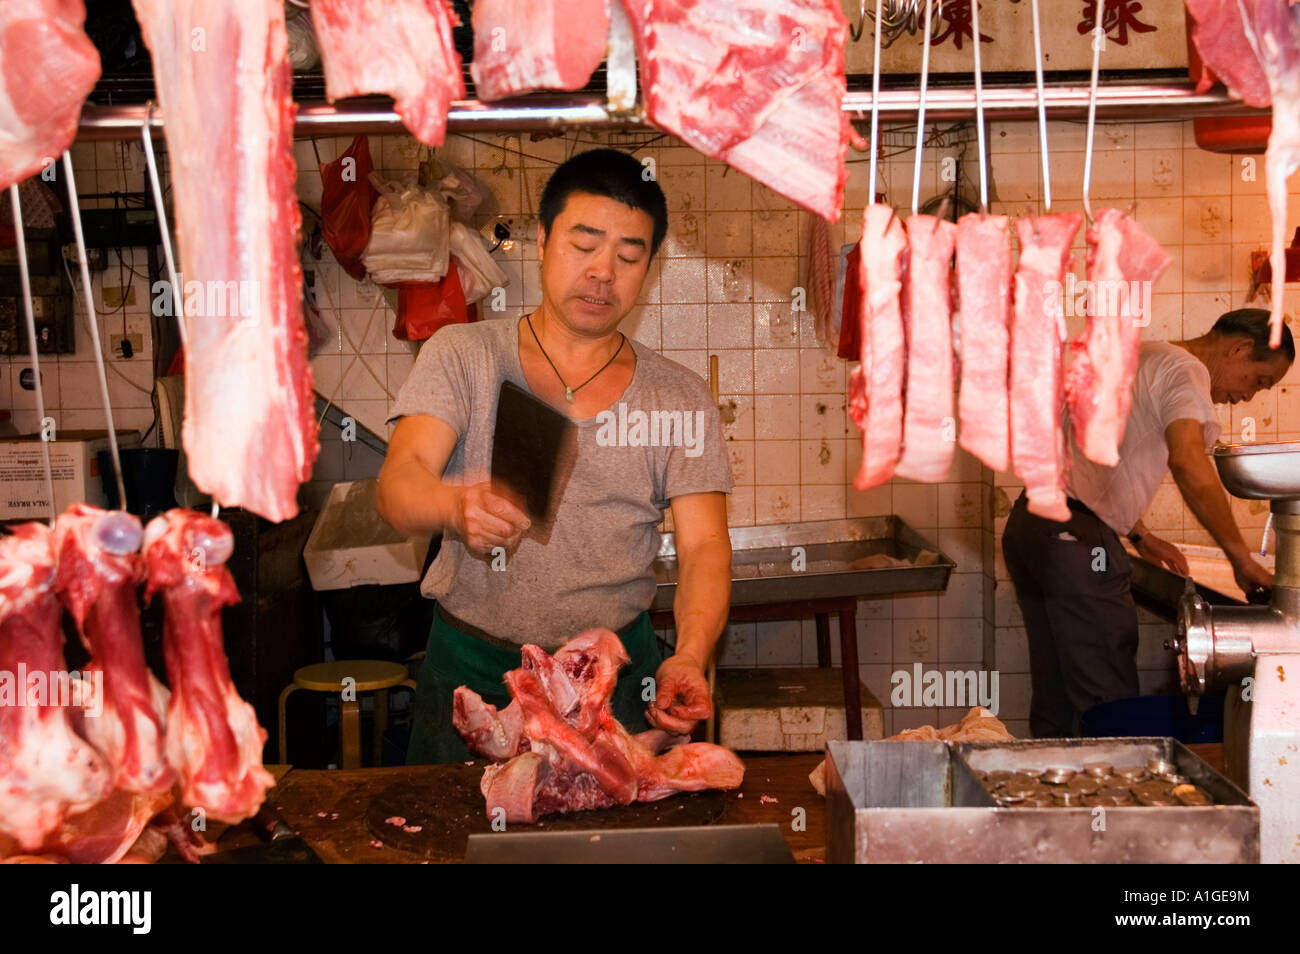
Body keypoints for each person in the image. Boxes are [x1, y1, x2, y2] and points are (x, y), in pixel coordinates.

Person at [377, 149, 734, 764]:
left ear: (649, 266)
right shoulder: (465, 354)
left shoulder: (678, 395)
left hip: (613, 682)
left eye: (628, 256)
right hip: (475, 672)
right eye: (584, 245)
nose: (602, 273)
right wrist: (453, 506)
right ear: (542, 241)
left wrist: (691, 655)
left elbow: (704, 546)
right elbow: (397, 487)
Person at [1002, 308, 1294, 737]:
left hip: (1032, 527)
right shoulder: (1186, 371)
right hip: (1076, 542)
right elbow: (1189, 463)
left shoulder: (1145, 356)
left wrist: (1140, 534)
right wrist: (1241, 560)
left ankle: (1059, 797)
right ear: (1240, 348)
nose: (1249, 397)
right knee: (1107, 700)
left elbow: (1095, 459)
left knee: (1058, 693)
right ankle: (1113, 802)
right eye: (1258, 380)